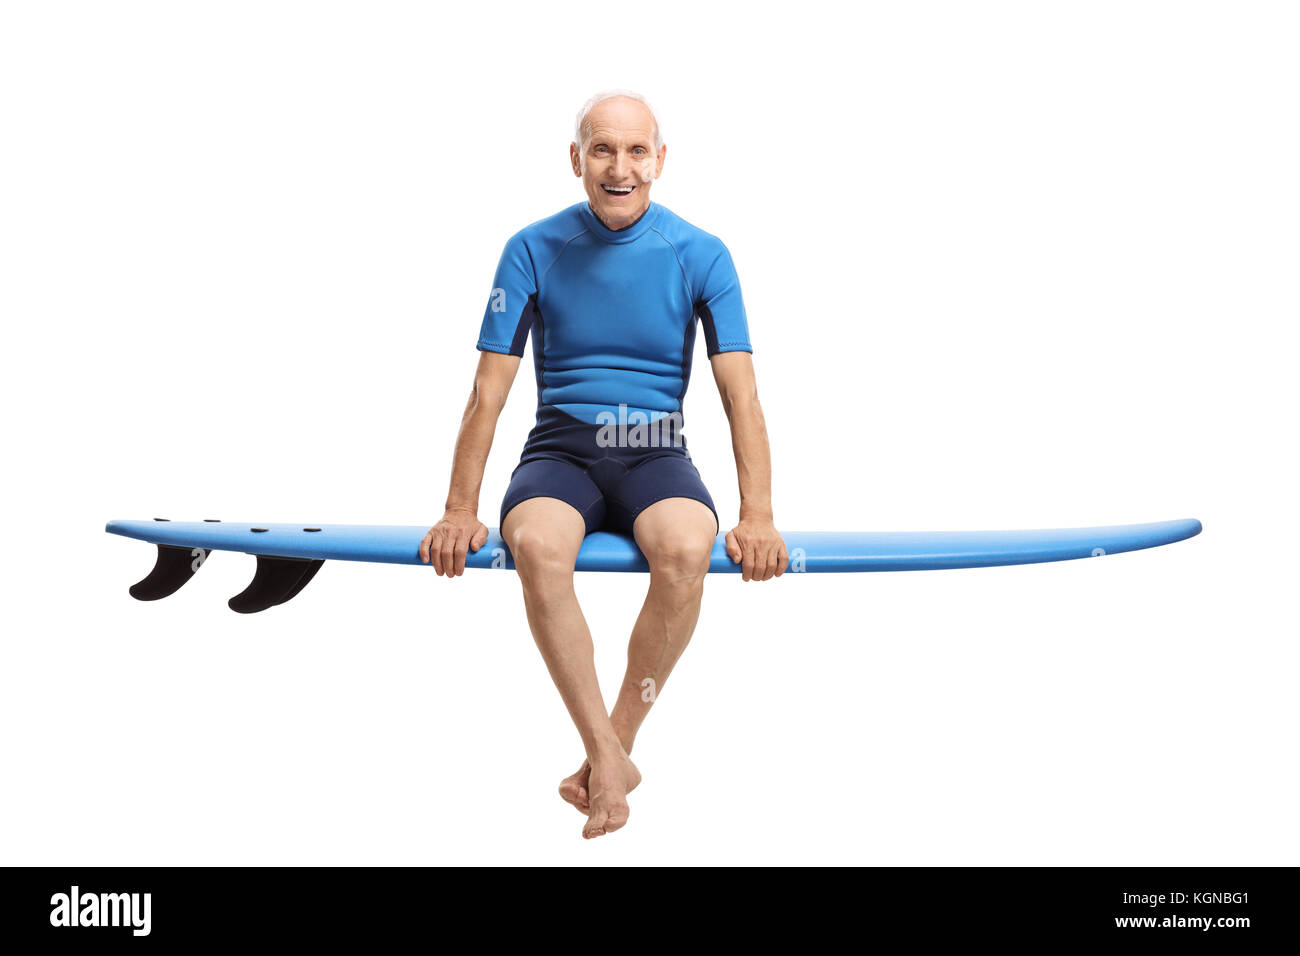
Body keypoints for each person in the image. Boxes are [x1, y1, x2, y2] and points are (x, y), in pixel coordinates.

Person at [420, 90, 786, 839]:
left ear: (660, 159)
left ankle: (611, 748)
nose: (620, 168)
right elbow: (487, 393)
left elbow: (740, 396)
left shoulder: (702, 253)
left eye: (636, 151)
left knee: (687, 547)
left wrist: (760, 516)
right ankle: (610, 756)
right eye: (602, 150)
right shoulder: (532, 247)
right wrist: (461, 509)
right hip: (562, 448)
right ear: (576, 160)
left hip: (654, 449)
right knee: (537, 544)